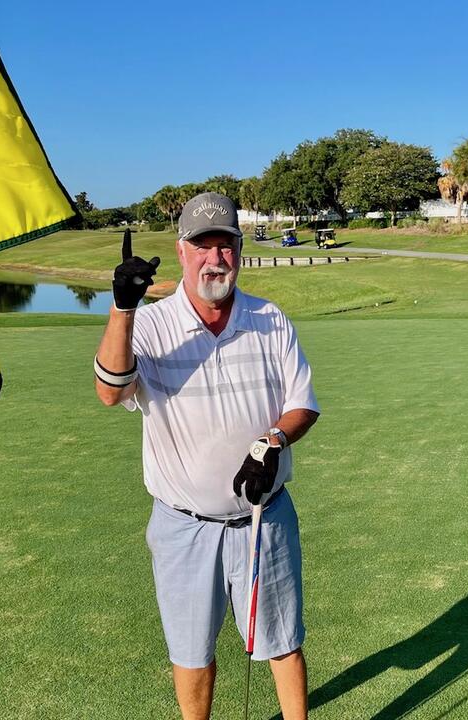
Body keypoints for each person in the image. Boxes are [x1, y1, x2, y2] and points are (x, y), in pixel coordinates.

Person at [93, 192, 320, 720]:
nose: (215, 259)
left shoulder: (270, 319)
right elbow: (110, 390)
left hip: (265, 518)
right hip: (184, 525)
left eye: (226, 246)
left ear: (239, 251)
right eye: (203, 246)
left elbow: (301, 404)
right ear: (181, 251)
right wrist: (124, 307)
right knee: (192, 653)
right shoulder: (151, 325)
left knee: (281, 640)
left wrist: (272, 443)